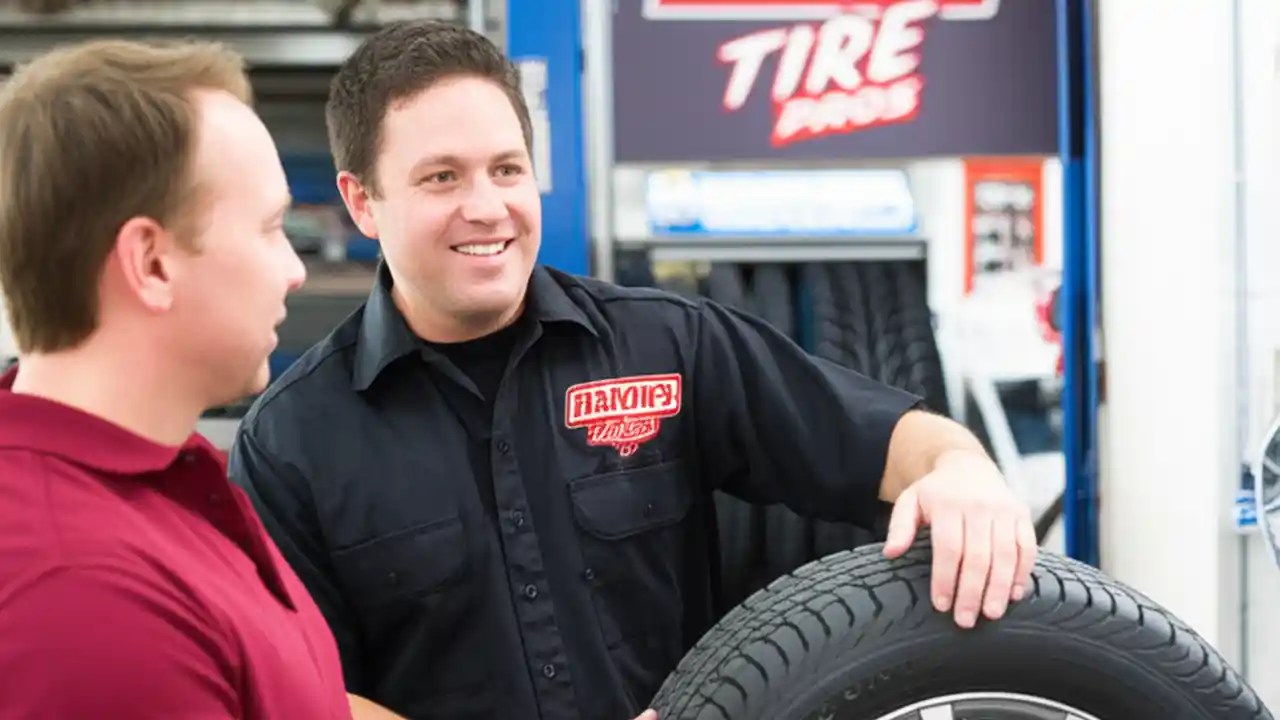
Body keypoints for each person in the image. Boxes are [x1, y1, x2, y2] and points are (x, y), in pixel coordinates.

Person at [228, 20, 1039, 720]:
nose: (487, 206)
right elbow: (300, 692)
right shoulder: (294, 439)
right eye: (442, 177)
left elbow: (892, 439)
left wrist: (960, 469)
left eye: (507, 169)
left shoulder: (668, 346)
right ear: (362, 201)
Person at [0, 38, 404, 720]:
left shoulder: (160, 485)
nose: (295, 270)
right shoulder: (83, 599)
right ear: (151, 264)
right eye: (272, 228)